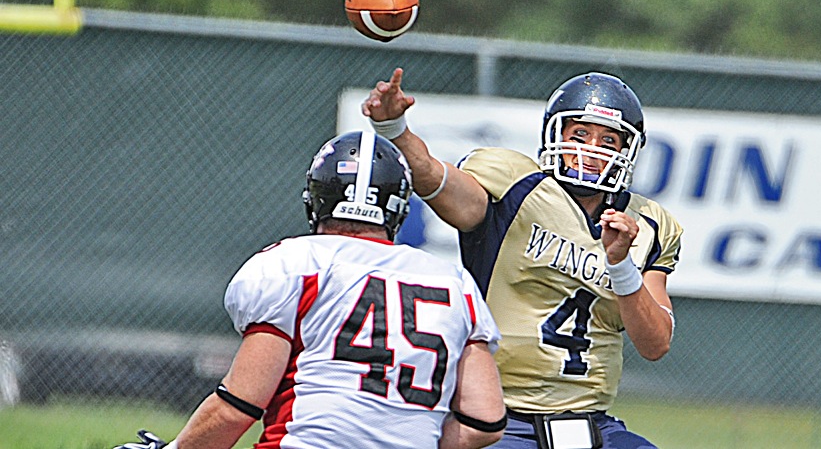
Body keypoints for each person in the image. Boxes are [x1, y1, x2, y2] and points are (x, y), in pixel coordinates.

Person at [113, 130, 506, 449]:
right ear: (399, 208)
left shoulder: (296, 263)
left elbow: (239, 405)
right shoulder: (453, 283)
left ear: (317, 199)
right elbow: (484, 421)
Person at [362, 69, 683, 449]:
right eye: (580, 134)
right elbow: (434, 177)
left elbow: (654, 344)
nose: (592, 149)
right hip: (500, 417)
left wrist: (621, 266)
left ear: (627, 150)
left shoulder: (647, 224)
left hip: (592, 420)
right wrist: (394, 128)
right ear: (555, 135)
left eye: (608, 140)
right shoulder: (515, 186)